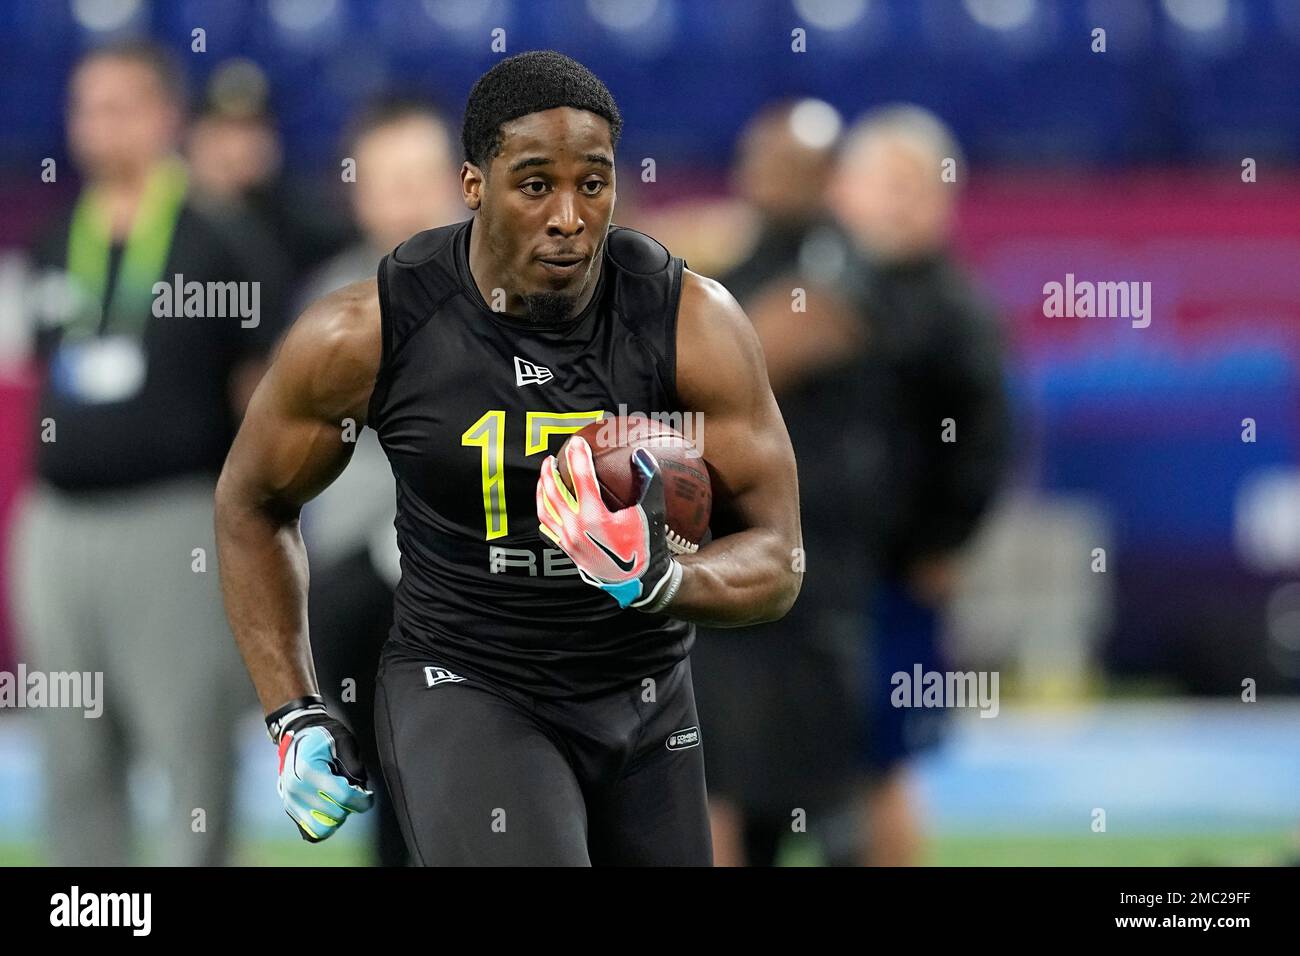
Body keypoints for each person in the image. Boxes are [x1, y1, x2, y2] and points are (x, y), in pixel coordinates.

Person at [215, 50, 803, 866]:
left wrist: (663, 580)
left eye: (591, 185)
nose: (568, 215)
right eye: (535, 185)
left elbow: (780, 557)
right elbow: (249, 503)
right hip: (466, 683)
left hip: (644, 694)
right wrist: (294, 712)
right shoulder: (367, 330)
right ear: (473, 187)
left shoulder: (688, 320)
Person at [11, 39, 288, 865]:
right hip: (59, 525)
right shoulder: (57, 237)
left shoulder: (220, 238)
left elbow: (265, 394)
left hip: (175, 526)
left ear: (167, 115)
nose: (98, 125)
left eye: (120, 105)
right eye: (85, 106)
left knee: (189, 748)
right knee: (71, 755)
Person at [691, 99, 876, 866]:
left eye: (788, 167)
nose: (767, 182)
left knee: (837, 795)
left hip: (819, 569)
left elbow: (768, 345)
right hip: (730, 560)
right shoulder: (735, 268)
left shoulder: (846, 265)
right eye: (760, 163)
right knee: (720, 782)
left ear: (829, 177)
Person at [829, 105, 1012, 866]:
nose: (898, 203)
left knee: (883, 762)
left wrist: (944, 544)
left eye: (916, 185)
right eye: (883, 183)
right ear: (843, 189)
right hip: (814, 571)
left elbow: (987, 443)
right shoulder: (822, 282)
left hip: (894, 573)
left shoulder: (953, 311)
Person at [296, 96, 463, 866]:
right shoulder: (328, 302)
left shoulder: (523, 291)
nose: (405, 199)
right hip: (361, 586)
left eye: (420, 176)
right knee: (387, 794)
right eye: (385, 180)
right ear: (357, 193)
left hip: (481, 583)